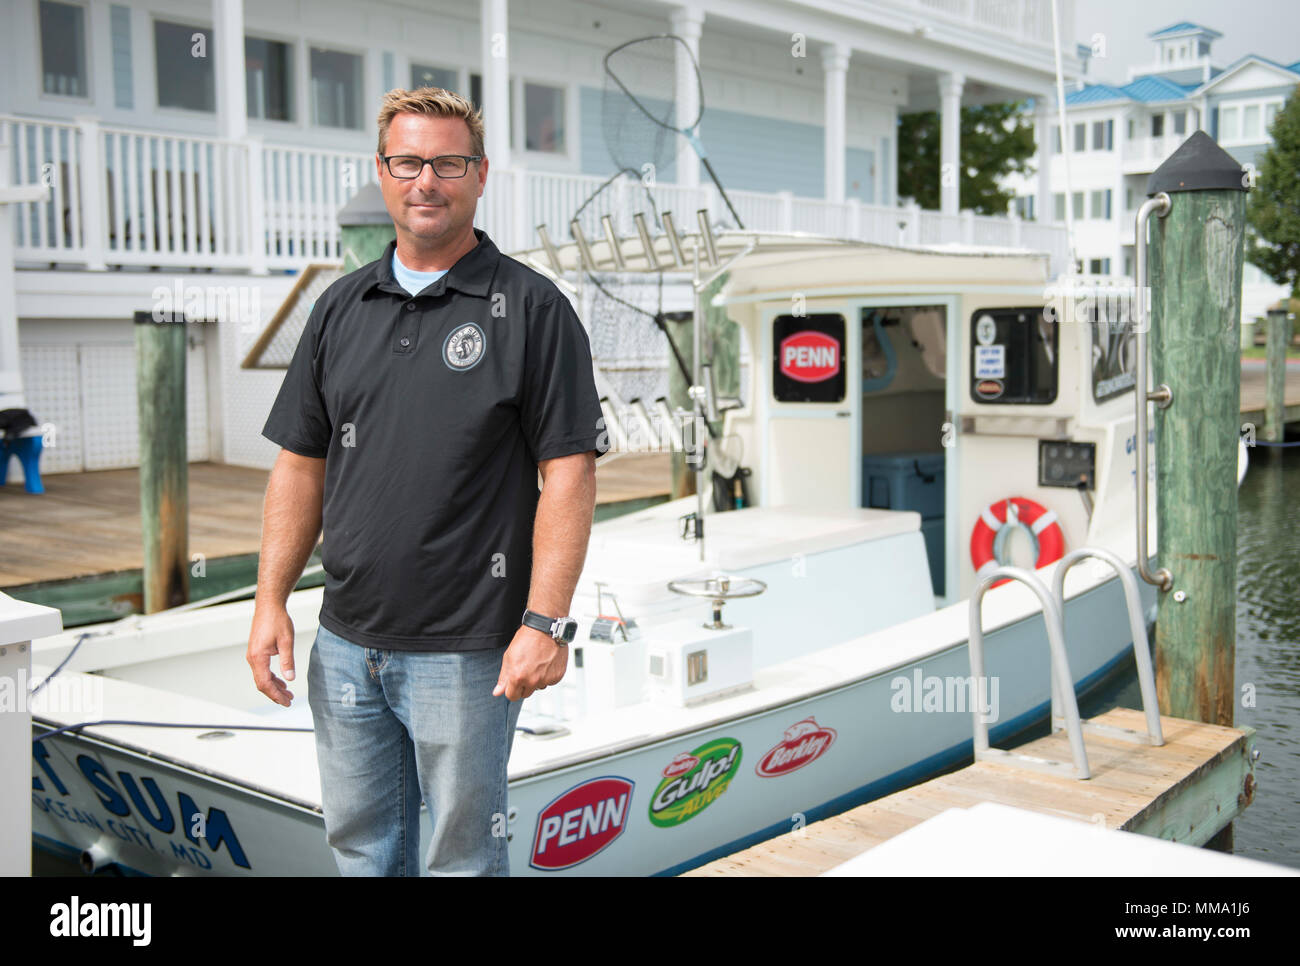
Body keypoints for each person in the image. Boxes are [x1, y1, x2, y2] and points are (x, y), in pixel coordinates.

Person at [246, 86, 608, 876]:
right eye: (408, 162)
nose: (426, 182)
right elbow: (301, 462)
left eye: (448, 163)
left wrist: (544, 624)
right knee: (362, 851)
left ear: (479, 176)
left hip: (468, 651)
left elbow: (570, 474)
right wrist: (270, 597)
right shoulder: (340, 308)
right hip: (345, 642)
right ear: (382, 172)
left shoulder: (534, 309)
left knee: (463, 862)